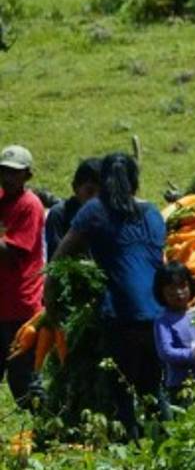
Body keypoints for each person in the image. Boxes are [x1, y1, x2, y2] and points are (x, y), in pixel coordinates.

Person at [47, 152, 166, 435]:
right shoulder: (154, 213)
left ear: (102, 183)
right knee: (153, 389)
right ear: (135, 182)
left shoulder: (94, 210)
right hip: (158, 313)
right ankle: (165, 449)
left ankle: (132, 451)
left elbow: (59, 260)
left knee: (121, 394)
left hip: (121, 314)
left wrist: (51, 303)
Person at [0, 145, 45, 409]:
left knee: (22, 378)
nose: (8, 177)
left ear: (27, 175)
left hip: (20, 305)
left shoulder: (30, 205)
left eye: (14, 173)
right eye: (4, 171)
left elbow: (12, 252)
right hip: (2, 304)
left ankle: (44, 429)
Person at [152, 262, 195, 413]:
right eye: (171, 288)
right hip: (179, 385)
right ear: (161, 292)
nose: (179, 292)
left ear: (191, 287)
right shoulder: (163, 321)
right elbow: (166, 352)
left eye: (182, 286)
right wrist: (194, 355)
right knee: (186, 422)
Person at [44, 157, 101, 258]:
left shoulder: (107, 216)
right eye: (90, 192)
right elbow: (56, 263)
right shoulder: (60, 214)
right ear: (75, 188)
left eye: (101, 193)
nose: (95, 198)